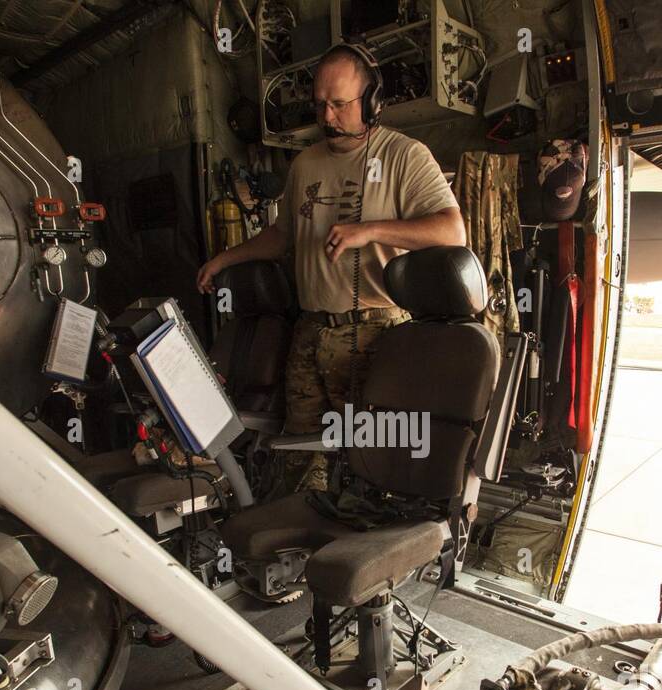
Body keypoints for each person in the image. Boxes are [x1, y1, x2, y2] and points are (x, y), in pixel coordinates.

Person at [196, 42, 465, 493]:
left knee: (368, 460)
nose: (328, 117)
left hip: (373, 332)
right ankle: (304, 550)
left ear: (372, 100)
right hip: (310, 332)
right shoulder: (305, 163)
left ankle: (367, 555)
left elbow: (451, 230)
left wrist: (371, 230)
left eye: (340, 104)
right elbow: (284, 235)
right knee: (302, 458)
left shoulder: (405, 156)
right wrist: (224, 259)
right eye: (321, 105)